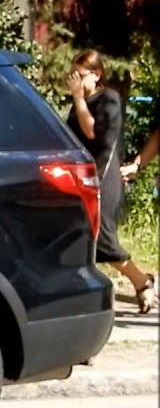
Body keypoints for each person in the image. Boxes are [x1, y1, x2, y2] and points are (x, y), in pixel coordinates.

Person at [65, 49, 157, 314]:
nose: (75, 81)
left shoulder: (108, 99)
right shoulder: (79, 103)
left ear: (97, 74)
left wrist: (79, 99)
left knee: (102, 237)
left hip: (104, 178)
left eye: (80, 76)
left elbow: (94, 133)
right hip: (83, 180)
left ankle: (141, 281)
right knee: (82, 237)